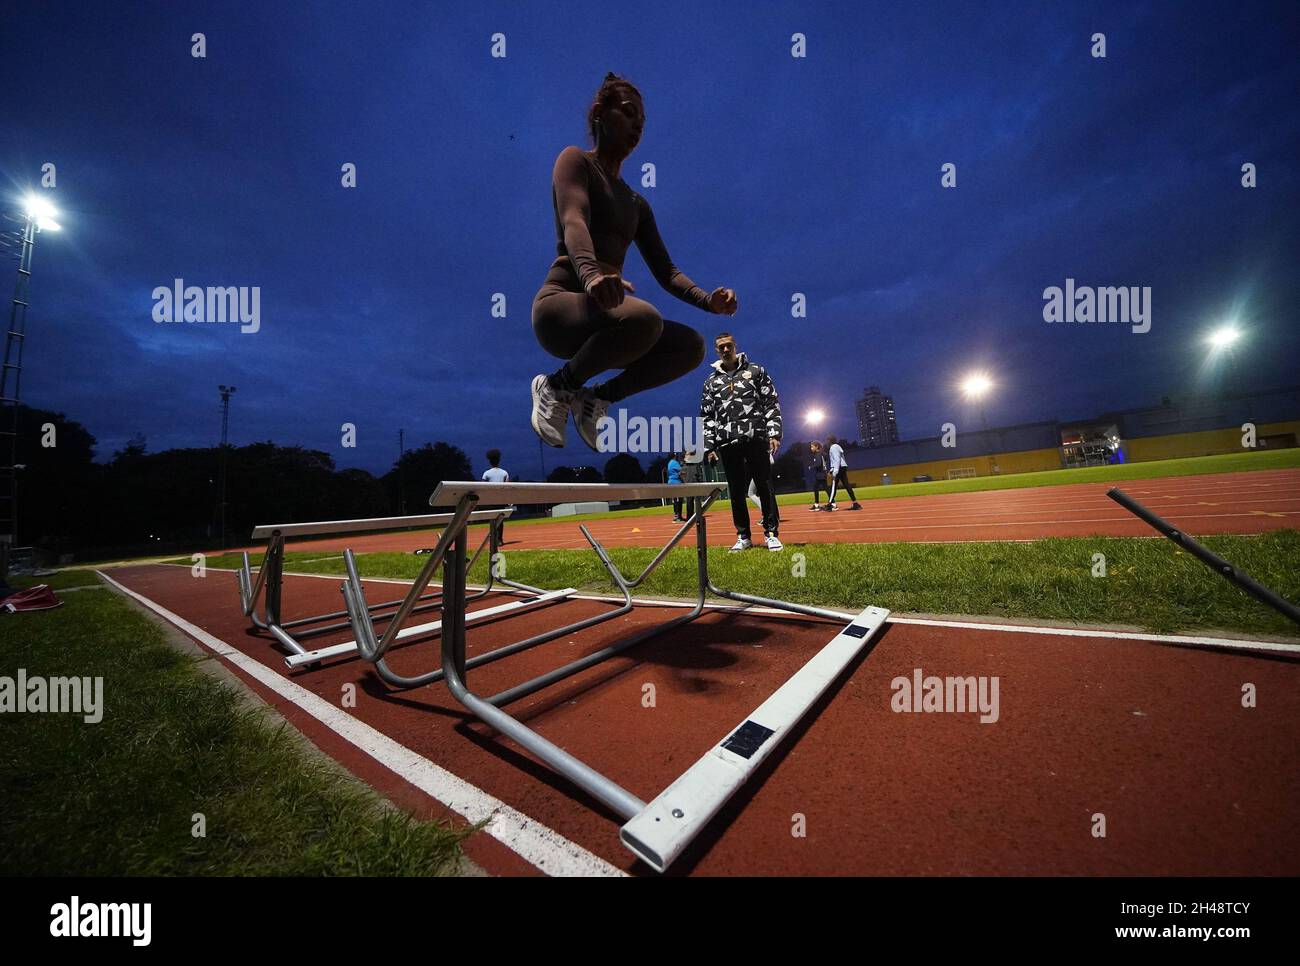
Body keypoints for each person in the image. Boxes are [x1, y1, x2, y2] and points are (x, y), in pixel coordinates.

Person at [529, 72, 738, 450]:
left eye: (641, 122)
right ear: (599, 112)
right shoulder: (575, 161)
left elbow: (667, 272)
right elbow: (573, 218)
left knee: (690, 346)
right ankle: (556, 387)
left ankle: (598, 398)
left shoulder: (638, 204)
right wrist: (592, 276)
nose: (637, 127)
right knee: (644, 319)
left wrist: (709, 301)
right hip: (563, 306)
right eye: (628, 114)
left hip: (610, 319)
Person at [700, 332, 782, 551]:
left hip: (755, 436)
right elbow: (707, 415)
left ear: (735, 346)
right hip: (727, 442)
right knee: (736, 491)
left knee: (764, 486)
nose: (725, 350)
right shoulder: (711, 381)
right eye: (721, 347)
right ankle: (743, 536)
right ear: (717, 351)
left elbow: (770, 401)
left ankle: (771, 533)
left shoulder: (755, 371)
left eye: (729, 346)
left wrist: (774, 432)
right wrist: (709, 446)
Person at [823, 435, 862, 511]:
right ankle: (855, 503)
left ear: (829, 441)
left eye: (827, 441)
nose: (826, 443)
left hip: (839, 467)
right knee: (847, 485)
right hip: (843, 467)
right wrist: (832, 469)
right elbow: (838, 459)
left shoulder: (833, 447)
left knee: (833, 486)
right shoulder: (837, 446)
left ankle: (829, 504)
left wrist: (835, 469)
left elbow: (836, 459)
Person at [481, 449, 511, 544]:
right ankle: (499, 539)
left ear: (489, 461)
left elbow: (483, 488)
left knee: (492, 520)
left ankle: (494, 539)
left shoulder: (486, 473)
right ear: (499, 460)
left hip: (491, 500)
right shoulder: (504, 473)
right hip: (501, 500)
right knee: (500, 521)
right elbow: (507, 487)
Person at [808, 441, 829, 510]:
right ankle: (832, 503)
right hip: (823, 473)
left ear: (816, 447)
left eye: (812, 446)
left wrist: (811, 466)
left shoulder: (818, 454)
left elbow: (818, 464)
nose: (811, 448)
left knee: (818, 488)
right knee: (824, 488)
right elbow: (825, 460)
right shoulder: (822, 453)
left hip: (820, 474)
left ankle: (817, 505)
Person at [667, 452, 685, 522]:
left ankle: (678, 516)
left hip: (672, 482)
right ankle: (677, 517)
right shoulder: (674, 462)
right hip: (676, 482)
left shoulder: (670, 462)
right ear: (674, 456)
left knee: (676, 500)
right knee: (678, 500)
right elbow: (681, 471)